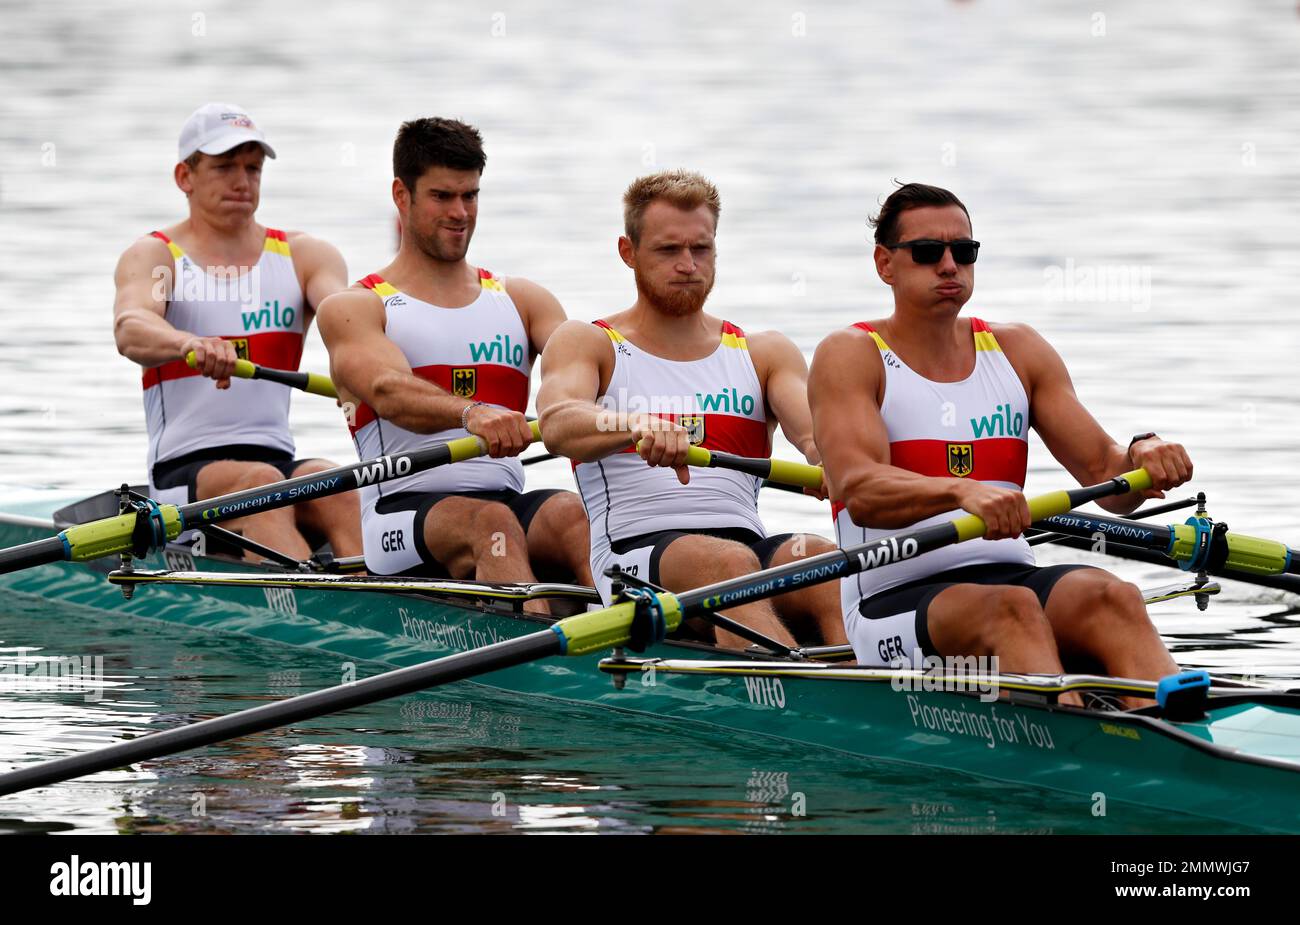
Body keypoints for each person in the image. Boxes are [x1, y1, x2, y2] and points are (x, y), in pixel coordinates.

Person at [809, 182, 1192, 697]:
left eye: (963, 252)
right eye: (927, 253)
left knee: (1113, 595)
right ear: (885, 264)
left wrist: (1143, 452)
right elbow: (860, 490)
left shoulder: (1018, 349)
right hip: (890, 599)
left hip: (1010, 582)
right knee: (1010, 611)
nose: (949, 265)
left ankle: (1182, 736)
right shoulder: (852, 353)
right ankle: (1080, 749)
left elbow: (1109, 476)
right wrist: (962, 492)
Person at [537, 169, 845, 649]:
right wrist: (633, 424)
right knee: (727, 565)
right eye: (668, 250)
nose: (688, 264)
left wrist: (838, 464)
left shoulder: (763, 353)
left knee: (827, 563)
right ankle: (786, 707)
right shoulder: (591, 342)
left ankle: (862, 701)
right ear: (629, 252)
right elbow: (558, 423)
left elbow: (815, 439)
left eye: (701, 249)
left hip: (745, 550)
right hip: (632, 562)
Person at [317, 117, 591, 596]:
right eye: (442, 196)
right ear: (402, 196)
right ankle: (539, 663)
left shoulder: (524, 301)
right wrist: (472, 413)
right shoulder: (356, 307)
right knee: (492, 524)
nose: (460, 212)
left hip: (504, 501)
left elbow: (589, 367)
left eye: (471, 195)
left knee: (574, 516)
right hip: (398, 516)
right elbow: (388, 391)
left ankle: (637, 652)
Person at [112, 102, 361, 560]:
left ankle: (381, 603)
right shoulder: (157, 257)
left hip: (275, 461)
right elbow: (132, 328)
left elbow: (352, 321)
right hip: (181, 477)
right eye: (225, 166)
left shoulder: (306, 257)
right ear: (184, 177)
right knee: (262, 484)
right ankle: (306, 602)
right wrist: (188, 342)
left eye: (252, 167)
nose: (242, 181)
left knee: (338, 482)